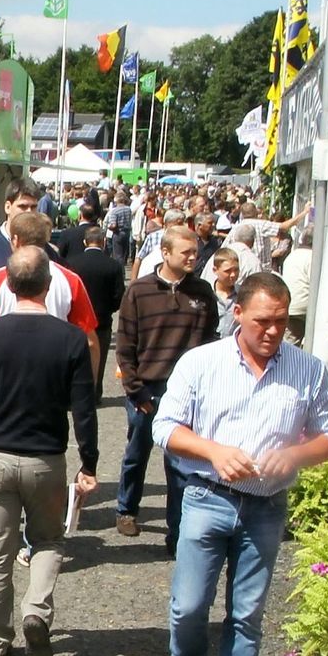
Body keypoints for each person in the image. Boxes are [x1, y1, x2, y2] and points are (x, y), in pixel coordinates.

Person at [149, 273, 328, 656]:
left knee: (248, 612)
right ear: (237, 314)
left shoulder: (308, 369)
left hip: (265, 506)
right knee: (189, 604)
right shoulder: (202, 363)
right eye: (263, 321)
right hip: (207, 495)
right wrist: (213, 451)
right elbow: (165, 427)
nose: (273, 331)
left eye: (281, 322)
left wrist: (297, 456)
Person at [0, 248, 98, 656]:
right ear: (49, 284)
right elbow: (84, 408)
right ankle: (36, 610)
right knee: (48, 540)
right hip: (46, 457)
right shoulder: (70, 339)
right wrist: (88, 463)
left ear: (8, 285)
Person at [112, 226, 218, 548]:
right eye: (185, 252)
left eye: (195, 252)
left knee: (180, 466)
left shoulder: (202, 292)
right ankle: (127, 509)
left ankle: (178, 533)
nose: (192, 257)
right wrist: (135, 390)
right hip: (147, 388)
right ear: (166, 253)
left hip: (186, 392)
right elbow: (125, 344)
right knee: (137, 452)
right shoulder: (139, 291)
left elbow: (211, 339)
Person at [65, 225, 126, 391]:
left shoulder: (71, 263)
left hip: (75, 319)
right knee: (99, 357)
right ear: (104, 242)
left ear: (85, 242)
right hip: (102, 319)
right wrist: (109, 308)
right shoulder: (113, 265)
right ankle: (95, 391)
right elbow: (119, 295)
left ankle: (73, 391)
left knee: (73, 357)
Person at [208, 246, 242, 326]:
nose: (233, 275)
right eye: (227, 271)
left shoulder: (242, 294)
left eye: (236, 270)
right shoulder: (207, 294)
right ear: (215, 270)